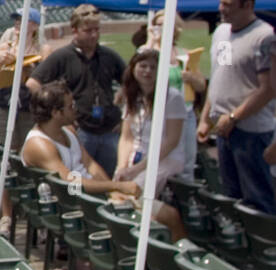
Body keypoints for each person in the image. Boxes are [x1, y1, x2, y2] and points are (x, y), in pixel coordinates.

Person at [23, 80, 185, 242]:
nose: (76, 109)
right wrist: (117, 186)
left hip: (96, 195)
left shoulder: (68, 130)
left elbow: (90, 164)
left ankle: (179, 265)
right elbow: (72, 184)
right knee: (152, 226)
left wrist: (113, 192)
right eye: (70, 106)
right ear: (56, 113)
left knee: (171, 215)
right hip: (79, 205)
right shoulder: (39, 145)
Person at [196, 0, 276, 214]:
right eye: (220, 3)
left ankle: (263, 245)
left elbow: (268, 88)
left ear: (248, 5)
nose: (221, 9)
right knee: (231, 197)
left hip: (250, 131)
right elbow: (220, 76)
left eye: (228, 5)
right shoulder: (222, 32)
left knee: (257, 200)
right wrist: (205, 119)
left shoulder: (264, 36)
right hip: (223, 129)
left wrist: (234, 117)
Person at [25, 4, 125, 178]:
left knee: (107, 179)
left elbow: (131, 82)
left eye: (97, 30)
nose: (94, 35)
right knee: (80, 179)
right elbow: (33, 83)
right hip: (80, 130)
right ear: (75, 30)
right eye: (88, 30)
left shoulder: (108, 56)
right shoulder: (62, 56)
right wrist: (56, 113)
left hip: (109, 129)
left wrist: (125, 111)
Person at [116, 48, 189, 194]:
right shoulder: (132, 97)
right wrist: (122, 166)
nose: (148, 71)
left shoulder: (172, 97)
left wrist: (137, 169)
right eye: (143, 66)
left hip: (165, 160)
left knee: (133, 193)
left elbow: (171, 141)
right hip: (136, 156)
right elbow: (127, 138)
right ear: (133, 68)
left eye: (153, 67)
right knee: (116, 190)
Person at [144, 10, 205, 180]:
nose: (161, 29)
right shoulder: (148, 51)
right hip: (160, 115)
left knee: (187, 160)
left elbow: (201, 86)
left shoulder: (183, 53)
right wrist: (151, 41)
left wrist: (191, 78)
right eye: (158, 25)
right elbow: (140, 70)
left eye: (165, 24)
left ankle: (187, 200)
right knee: (162, 159)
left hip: (186, 113)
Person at [0, 8, 43, 150]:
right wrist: (1, 64)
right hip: (5, 105)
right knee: (3, 147)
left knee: (28, 149)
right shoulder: (5, 47)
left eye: (23, 20)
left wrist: (33, 72)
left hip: (30, 109)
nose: (18, 23)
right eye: (16, 19)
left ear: (35, 26)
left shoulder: (42, 51)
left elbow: (49, 85)